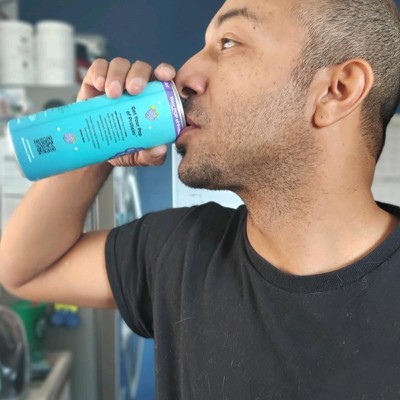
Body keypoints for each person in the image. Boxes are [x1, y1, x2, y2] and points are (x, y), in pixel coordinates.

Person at [1, 0, 400, 398]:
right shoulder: (181, 249)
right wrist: (96, 136)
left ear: (337, 90)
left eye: (229, 43)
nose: (184, 74)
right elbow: (25, 272)